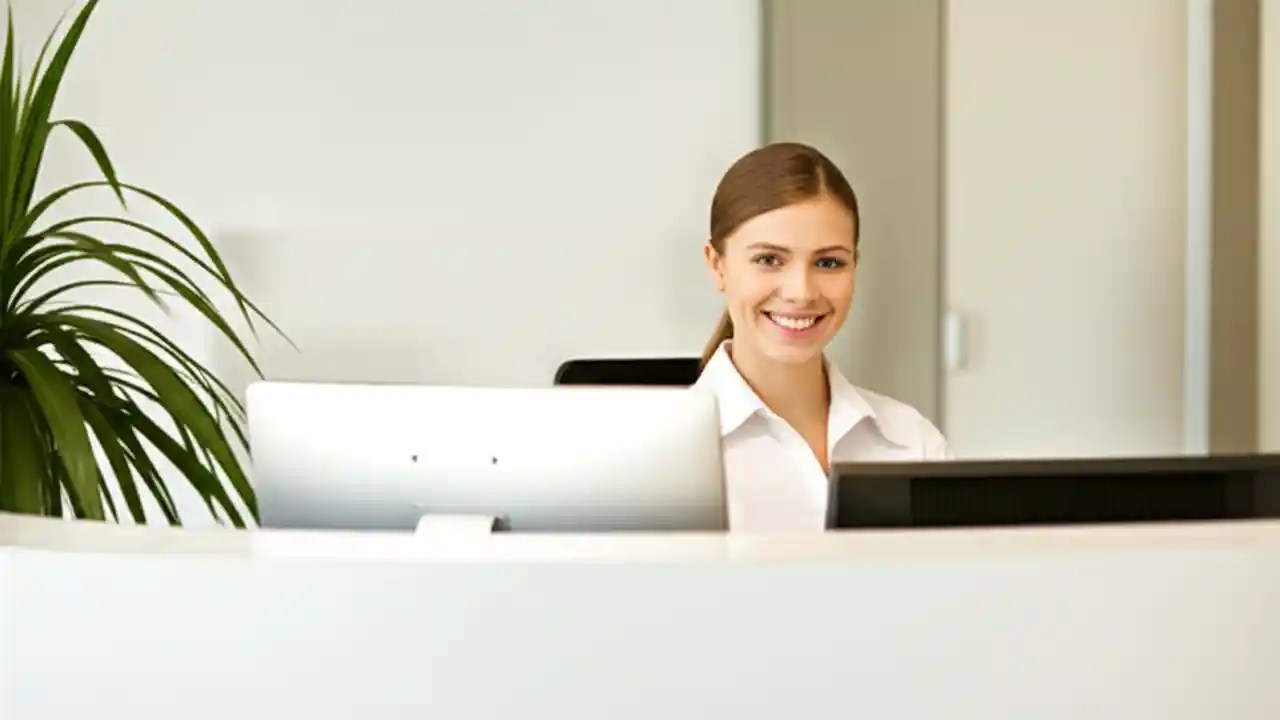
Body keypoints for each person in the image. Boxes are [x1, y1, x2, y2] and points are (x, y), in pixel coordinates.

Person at [692, 142, 950, 532]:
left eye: (828, 263)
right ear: (718, 266)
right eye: (768, 260)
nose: (801, 291)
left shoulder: (911, 442)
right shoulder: (664, 458)